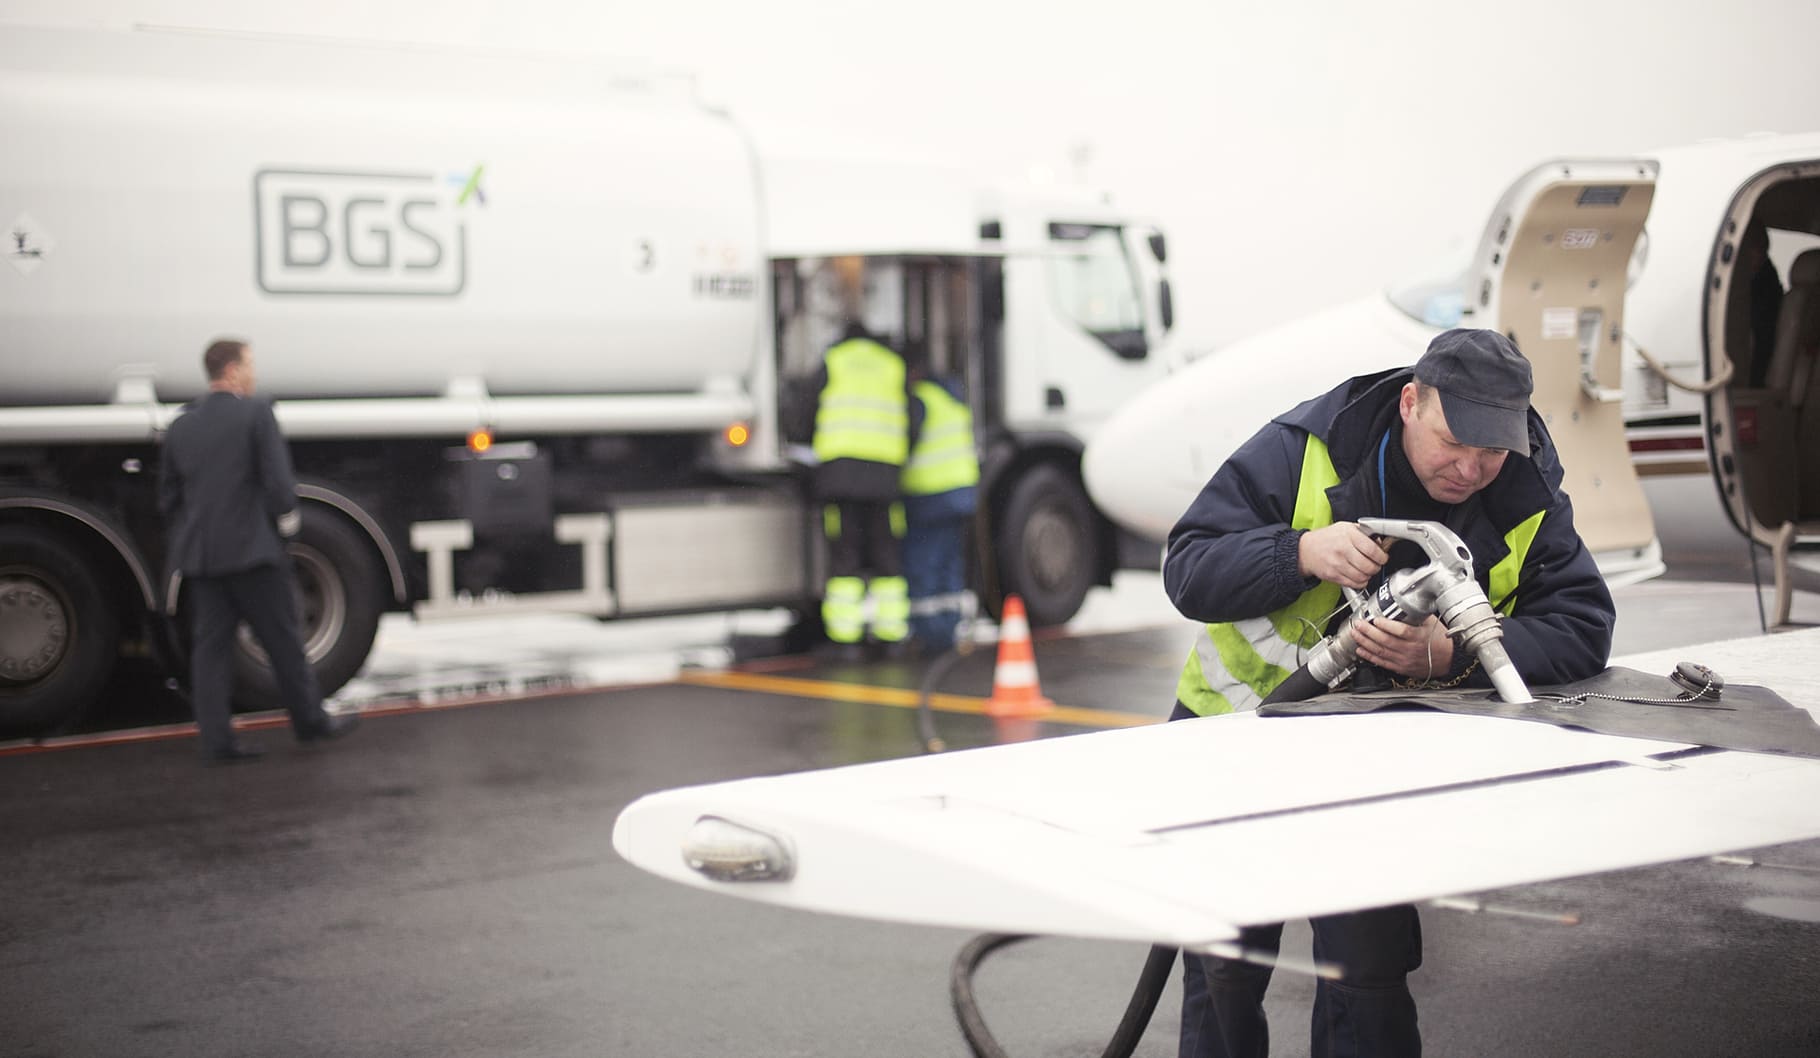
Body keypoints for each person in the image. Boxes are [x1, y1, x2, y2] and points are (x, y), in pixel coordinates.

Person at [1163, 328, 1617, 1058]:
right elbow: (1188, 569)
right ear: (1410, 403)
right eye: (1452, 442)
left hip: (1367, 768)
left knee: (1367, 972)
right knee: (1224, 963)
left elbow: (1582, 624)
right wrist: (1299, 552)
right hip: (1237, 742)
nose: (1470, 469)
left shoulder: (1526, 492)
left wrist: (1447, 652)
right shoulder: (1303, 449)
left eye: (1491, 451)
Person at [159, 338, 358, 764]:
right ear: (231, 371)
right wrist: (286, 529)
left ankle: (217, 742)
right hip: (254, 552)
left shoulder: (181, 425)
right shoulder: (256, 413)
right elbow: (278, 484)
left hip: (203, 557)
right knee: (283, 641)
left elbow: (168, 497)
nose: (254, 374)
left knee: (209, 650)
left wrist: (192, 536)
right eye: (249, 365)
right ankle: (310, 722)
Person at [809, 321, 912, 656]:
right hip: (885, 476)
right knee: (886, 555)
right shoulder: (892, 364)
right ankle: (892, 634)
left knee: (846, 557)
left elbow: (805, 409)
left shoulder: (834, 360)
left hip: (841, 475)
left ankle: (846, 640)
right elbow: (912, 416)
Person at [901, 364, 980, 655]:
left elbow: (907, 440)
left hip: (929, 495)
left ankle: (929, 635)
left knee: (925, 566)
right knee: (949, 565)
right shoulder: (951, 399)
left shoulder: (920, 399)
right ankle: (948, 630)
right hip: (959, 493)